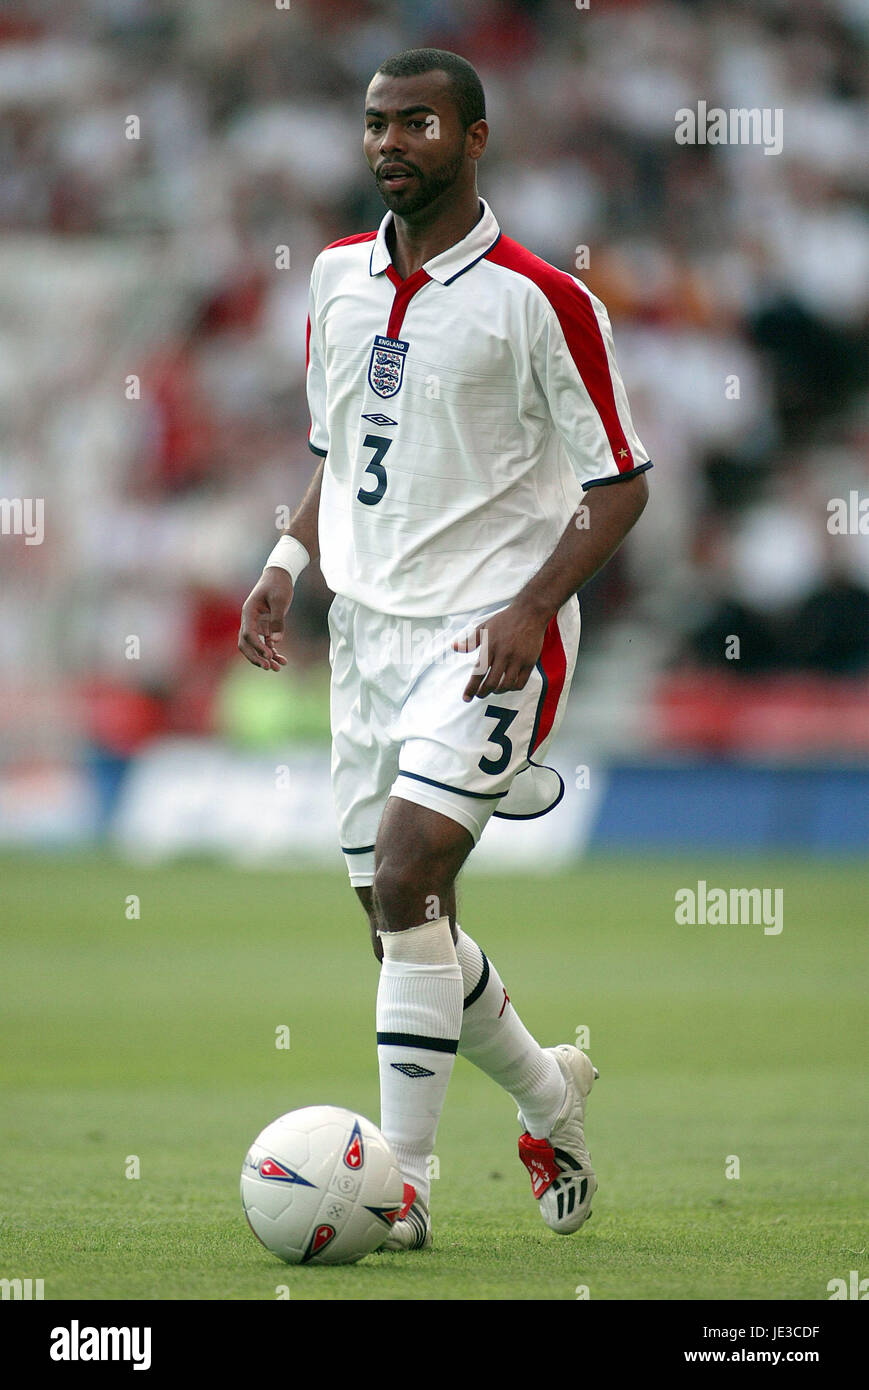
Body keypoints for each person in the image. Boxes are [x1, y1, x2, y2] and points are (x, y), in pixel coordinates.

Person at [238, 48, 651, 1251]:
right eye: (375, 124)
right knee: (399, 922)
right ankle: (548, 1091)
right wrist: (283, 565)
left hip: (488, 636)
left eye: (416, 122)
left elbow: (617, 484)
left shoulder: (543, 298)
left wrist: (530, 607)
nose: (389, 143)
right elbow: (337, 452)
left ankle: (402, 1186)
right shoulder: (333, 279)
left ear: (475, 139)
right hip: (364, 643)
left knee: (414, 870)